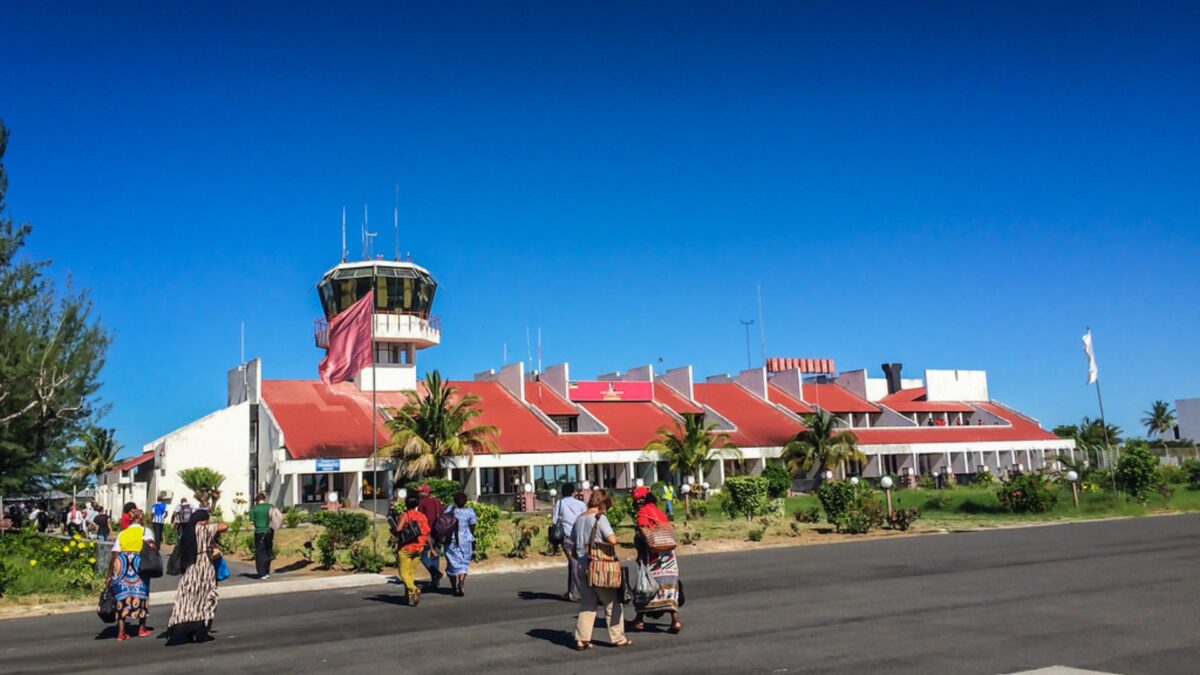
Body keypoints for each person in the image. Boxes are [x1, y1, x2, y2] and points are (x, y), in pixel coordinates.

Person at [571, 489, 632, 650]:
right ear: (603, 503)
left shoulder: (579, 519)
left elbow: (572, 542)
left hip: (581, 566)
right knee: (612, 603)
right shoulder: (599, 518)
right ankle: (618, 638)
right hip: (599, 566)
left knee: (588, 603)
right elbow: (612, 539)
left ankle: (581, 639)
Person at [166, 509, 228, 644]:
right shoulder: (203, 529)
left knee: (187, 600)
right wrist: (209, 525)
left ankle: (181, 628)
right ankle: (202, 630)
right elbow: (224, 526)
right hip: (204, 567)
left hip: (190, 568)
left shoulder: (187, 531)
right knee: (206, 598)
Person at [631, 487, 683, 634]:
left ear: (640, 501)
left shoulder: (643, 513)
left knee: (646, 585)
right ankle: (675, 621)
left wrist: (640, 554)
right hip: (668, 557)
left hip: (653, 556)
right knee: (670, 589)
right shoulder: (659, 512)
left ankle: (639, 620)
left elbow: (643, 531)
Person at [109, 507, 156, 641]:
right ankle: (141, 629)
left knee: (121, 598)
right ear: (141, 519)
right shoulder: (146, 531)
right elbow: (151, 546)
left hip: (121, 565)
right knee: (141, 595)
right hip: (138, 565)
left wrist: (109, 575)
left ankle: (121, 633)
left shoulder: (122, 533)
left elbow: (115, 553)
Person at [551, 482, 586, 602]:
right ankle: (571, 592)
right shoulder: (581, 504)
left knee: (574, 564)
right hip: (581, 537)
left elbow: (555, 521)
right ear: (573, 492)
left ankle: (582, 592)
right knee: (574, 564)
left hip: (567, 537)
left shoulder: (559, 503)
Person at [395, 495, 431, 606]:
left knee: (403, 573)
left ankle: (414, 589)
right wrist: (430, 547)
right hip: (419, 547)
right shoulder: (422, 516)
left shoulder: (406, 515)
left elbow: (398, 529)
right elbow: (427, 532)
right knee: (411, 573)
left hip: (406, 547)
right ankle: (407, 596)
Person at [442, 493, 477, 597]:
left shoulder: (450, 510)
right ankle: (461, 583)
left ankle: (453, 587)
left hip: (451, 540)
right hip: (465, 540)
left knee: (452, 563)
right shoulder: (470, 512)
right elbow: (472, 525)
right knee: (463, 563)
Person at [416, 485, 445, 590]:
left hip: (428, 533)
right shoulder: (437, 501)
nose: (418, 494)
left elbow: (419, 518)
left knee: (423, 555)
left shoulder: (422, 502)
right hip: (439, 532)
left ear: (424, 493)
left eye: (419, 492)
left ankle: (435, 573)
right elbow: (442, 513)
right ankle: (435, 582)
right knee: (435, 555)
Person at [249, 492, 273, 580]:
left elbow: (252, 522)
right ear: (264, 498)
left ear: (257, 500)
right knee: (268, 551)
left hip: (259, 531)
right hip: (269, 531)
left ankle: (261, 573)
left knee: (260, 552)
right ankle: (267, 571)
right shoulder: (270, 507)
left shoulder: (254, 509)